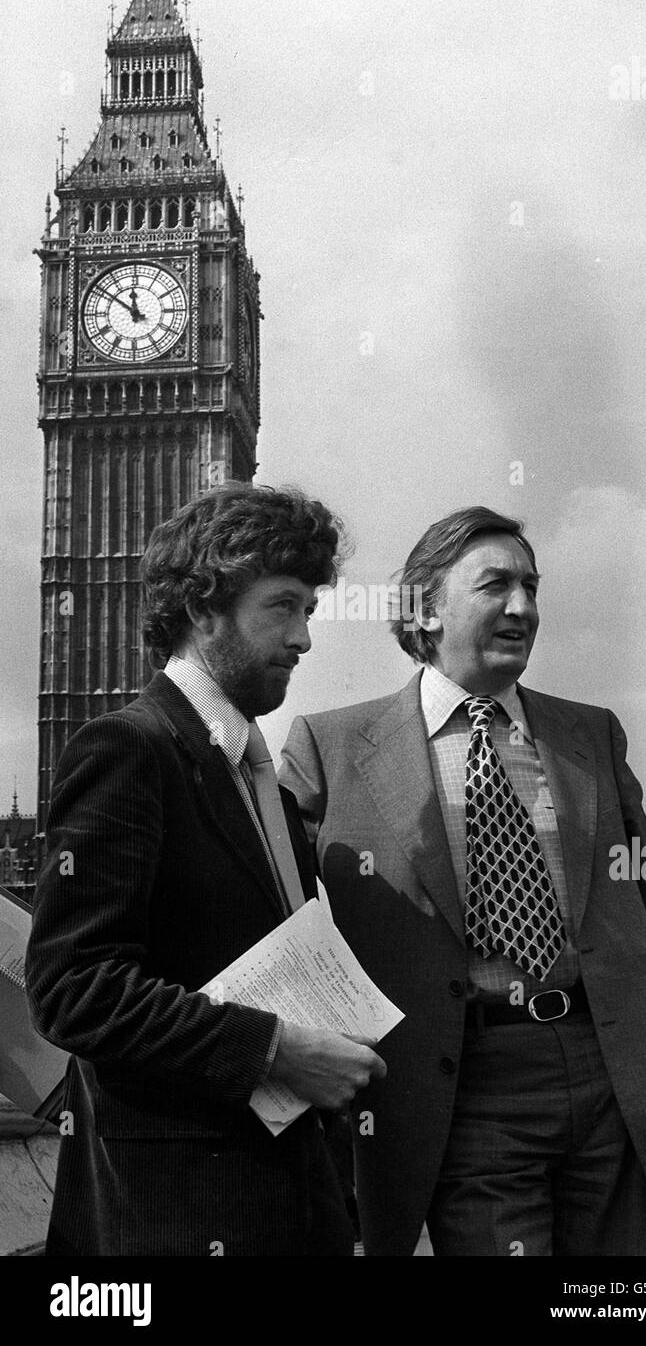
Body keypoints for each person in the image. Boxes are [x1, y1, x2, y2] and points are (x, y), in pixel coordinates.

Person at [280, 505, 646, 1257]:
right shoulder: (331, 746)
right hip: (460, 1086)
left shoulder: (589, 733)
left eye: (531, 587)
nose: (522, 608)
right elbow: (282, 917)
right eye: (495, 586)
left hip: (612, 1072)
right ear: (426, 608)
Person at [26, 482, 385, 1257]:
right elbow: (71, 988)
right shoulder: (129, 751)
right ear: (202, 607)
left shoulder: (263, 783)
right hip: (174, 1214)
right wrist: (273, 1050)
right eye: (282, 607)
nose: (303, 638)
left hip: (290, 1202)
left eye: (308, 612)